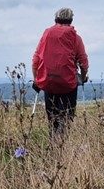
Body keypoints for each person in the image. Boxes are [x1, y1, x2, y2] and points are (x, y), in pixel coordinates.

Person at [31, 7, 89, 139]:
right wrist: (83, 77)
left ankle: (53, 145)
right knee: (66, 118)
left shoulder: (46, 35)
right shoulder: (75, 38)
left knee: (52, 120)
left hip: (48, 82)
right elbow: (83, 62)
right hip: (68, 84)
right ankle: (62, 143)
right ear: (71, 20)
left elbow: (36, 59)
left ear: (55, 19)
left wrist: (36, 79)